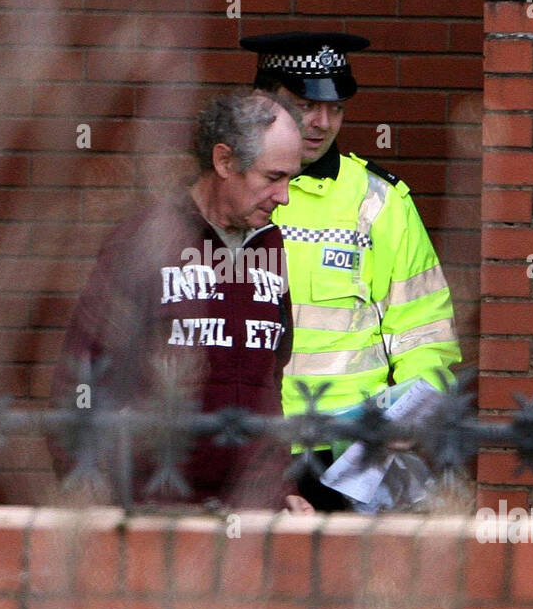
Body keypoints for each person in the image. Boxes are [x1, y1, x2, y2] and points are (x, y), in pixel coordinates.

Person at [51, 89, 313, 512]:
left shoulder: (271, 245)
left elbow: (269, 380)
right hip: (153, 510)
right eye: (272, 177)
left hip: (244, 515)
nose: (284, 196)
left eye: (291, 179)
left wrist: (280, 488)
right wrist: (92, 491)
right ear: (225, 161)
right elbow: (83, 375)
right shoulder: (145, 241)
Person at [240, 31, 462, 510]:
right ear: (263, 101)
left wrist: (408, 420)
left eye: (336, 108)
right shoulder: (228, 192)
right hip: (248, 439)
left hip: (351, 454)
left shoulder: (380, 202)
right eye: (305, 105)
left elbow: (425, 335)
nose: (322, 123)